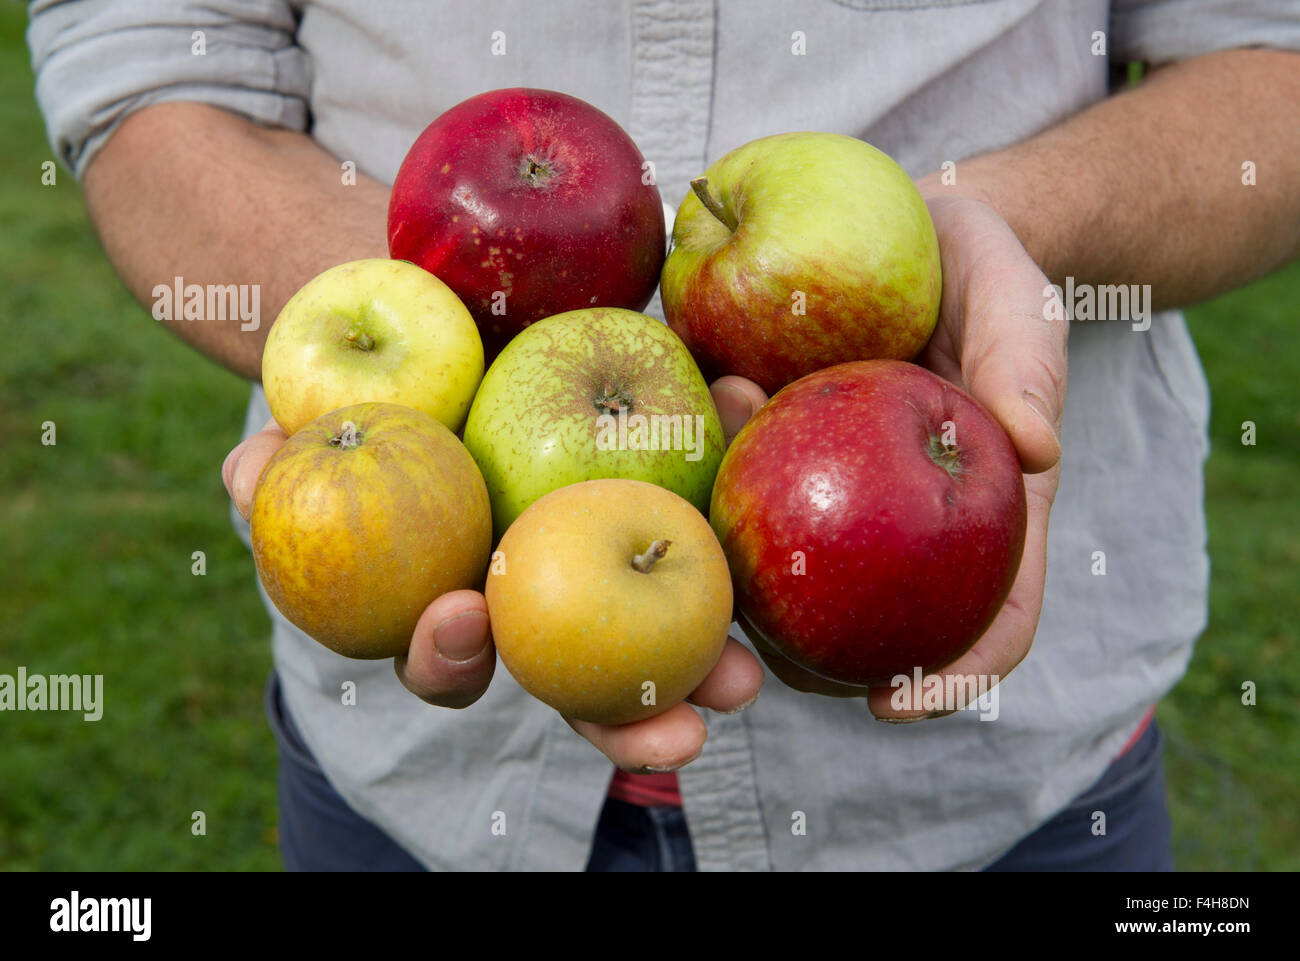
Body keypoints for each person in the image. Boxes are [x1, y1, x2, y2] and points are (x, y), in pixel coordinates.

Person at [28, 0, 1300, 871]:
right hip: (414, 786)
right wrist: (412, 358)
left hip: (1006, 790)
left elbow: (1271, 59)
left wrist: (993, 227)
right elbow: (148, 61)